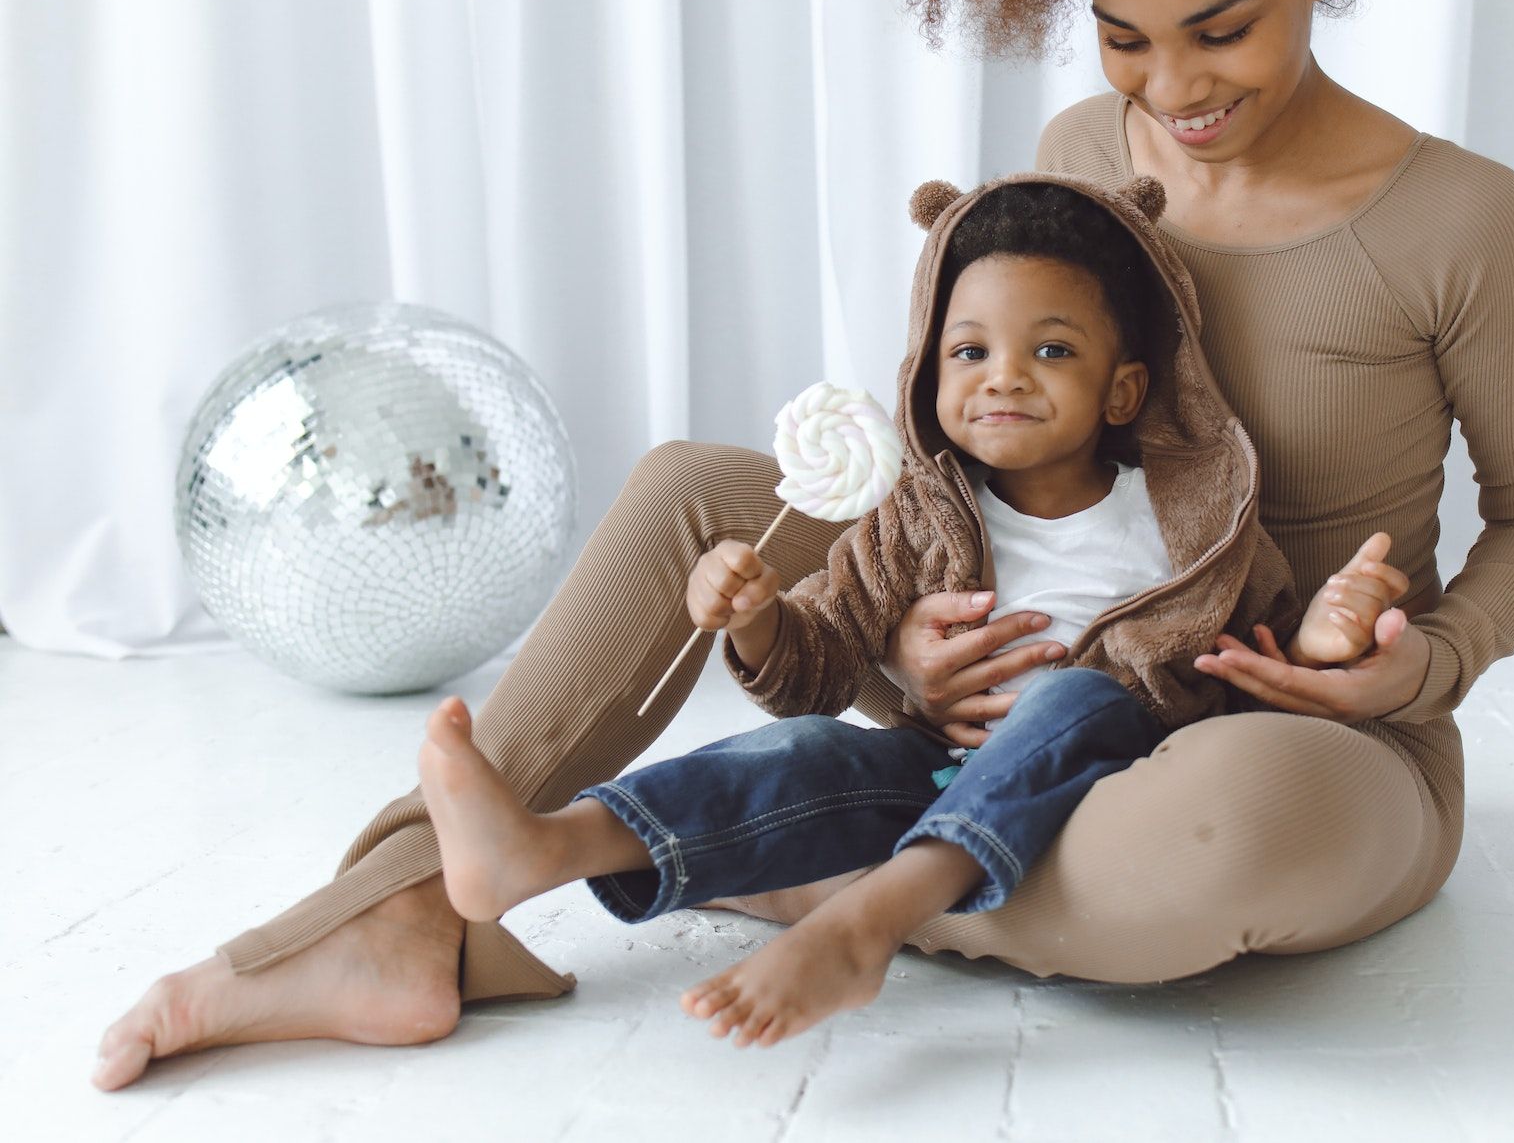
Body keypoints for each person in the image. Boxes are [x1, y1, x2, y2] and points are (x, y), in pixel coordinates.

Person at [94, 0, 1514, 1089]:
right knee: (696, 487)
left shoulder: (1465, 220)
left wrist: (1419, 665)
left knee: (1221, 828)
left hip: (1278, 728)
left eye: (1222, 30)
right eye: (1124, 37)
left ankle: (775, 861)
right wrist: (900, 641)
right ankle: (404, 916)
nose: (1173, 89)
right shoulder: (1089, 151)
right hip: (1012, 682)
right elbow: (1002, 421)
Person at [412, 174, 1409, 1047]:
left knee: (1070, 699)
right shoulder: (920, 517)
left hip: (1112, 771)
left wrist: (1326, 634)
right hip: (943, 769)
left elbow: (1261, 654)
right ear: (929, 372)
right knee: (807, 753)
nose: (1001, 375)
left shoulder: (1190, 519)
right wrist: (755, 616)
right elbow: (822, 657)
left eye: (1051, 349)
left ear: (1123, 389)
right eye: (967, 349)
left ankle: (867, 922)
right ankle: (546, 845)